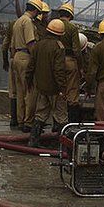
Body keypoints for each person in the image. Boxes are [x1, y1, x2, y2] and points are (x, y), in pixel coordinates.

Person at [25, 18, 68, 147]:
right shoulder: (58, 47)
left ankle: (33, 141)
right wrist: (63, 88)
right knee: (61, 117)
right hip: (55, 89)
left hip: (42, 87)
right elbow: (59, 70)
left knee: (41, 114)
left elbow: (30, 66)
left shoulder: (38, 45)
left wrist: (29, 81)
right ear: (60, 34)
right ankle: (62, 146)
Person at [10, 0, 44, 133]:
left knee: (19, 92)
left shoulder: (18, 21)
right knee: (30, 92)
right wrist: (38, 59)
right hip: (26, 58)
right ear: (35, 10)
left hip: (17, 57)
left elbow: (12, 45)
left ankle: (20, 120)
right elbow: (31, 44)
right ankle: (28, 122)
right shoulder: (28, 22)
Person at [54, 2, 83, 126]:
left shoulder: (53, 25)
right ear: (70, 16)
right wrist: (80, 66)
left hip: (56, 61)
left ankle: (57, 123)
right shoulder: (72, 28)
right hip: (70, 61)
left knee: (58, 91)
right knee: (72, 93)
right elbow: (77, 49)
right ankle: (72, 124)